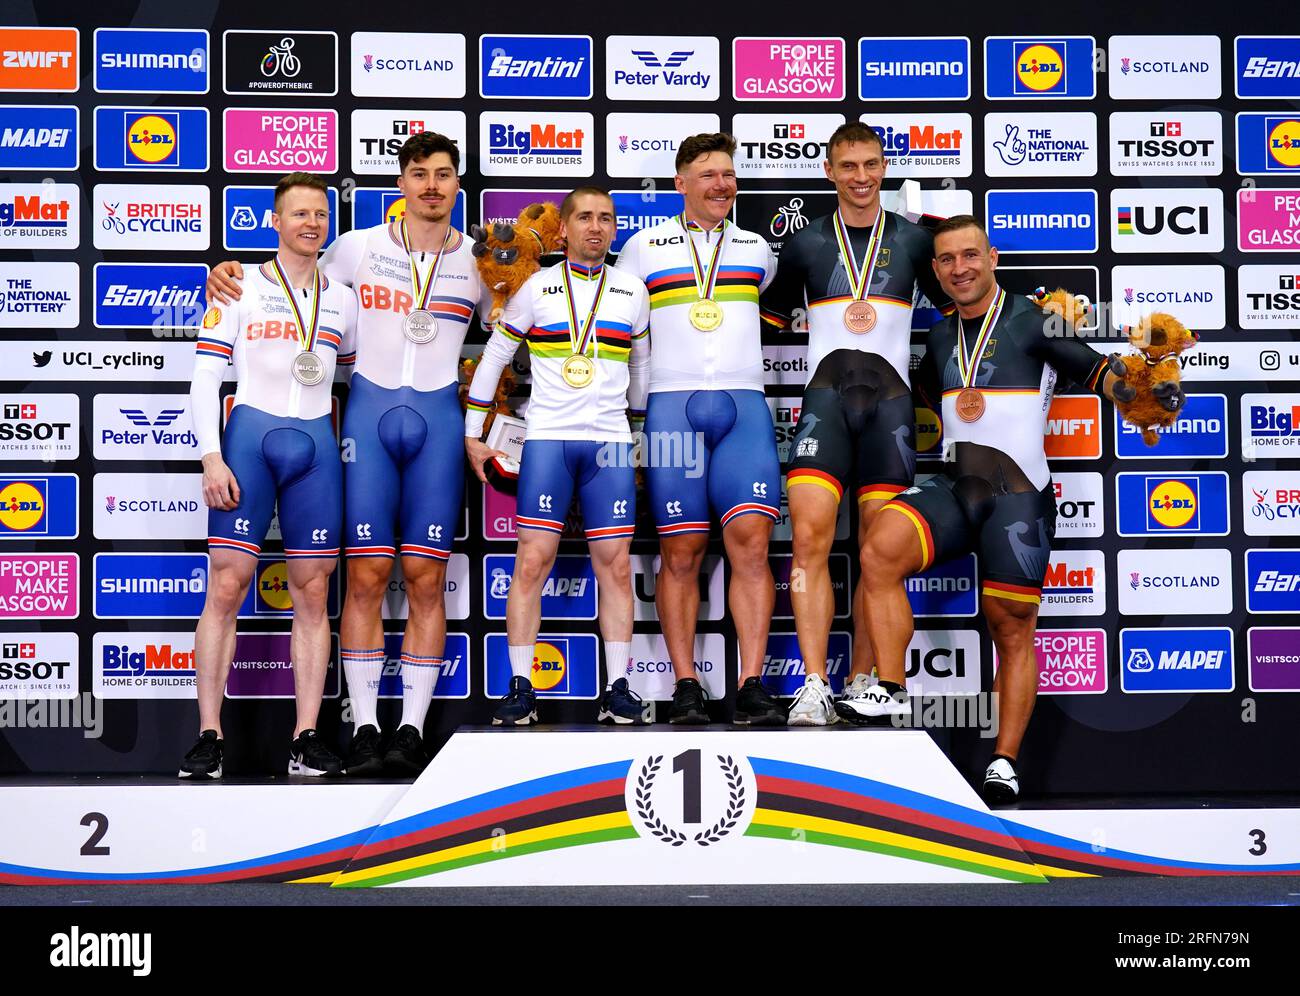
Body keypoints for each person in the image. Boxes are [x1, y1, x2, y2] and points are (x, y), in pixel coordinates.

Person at [206, 133, 493, 776]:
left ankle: (411, 729)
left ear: (456, 185)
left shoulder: (478, 260)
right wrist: (224, 273)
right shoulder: (355, 247)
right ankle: (364, 725)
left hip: (439, 423)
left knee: (424, 579)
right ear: (401, 183)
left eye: (444, 176)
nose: (431, 187)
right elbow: (286, 281)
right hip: (365, 415)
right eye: (419, 174)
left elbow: (516, 330)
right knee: (363, 576)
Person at [855, 215, 1132, 803]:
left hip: (1020, 498)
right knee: (879, 550)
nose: (961, 268)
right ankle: (888, 689)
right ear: (936, 269)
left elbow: (1102, 373)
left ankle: (1004, 760)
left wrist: (1144, 395)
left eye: (971, 255)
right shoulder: (936, 335)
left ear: (993, 257)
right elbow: (934, 396)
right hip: (958, 490)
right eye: (948, 260)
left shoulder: (1034, 320)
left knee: (1010, 628)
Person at [759, 121, 953, 726]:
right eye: (849, 167)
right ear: (829, 172)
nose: (862, 177)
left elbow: (961, 321)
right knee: (810, 541)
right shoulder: (807, 244)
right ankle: (815, 685)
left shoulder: (918, 244)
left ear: (885, 167)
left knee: (877, 555)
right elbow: (762, 326)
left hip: (892, 412)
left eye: (871, 165)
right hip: (824, 406)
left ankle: (866, 682)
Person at [180, 172, 356, 779]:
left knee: (313, 593)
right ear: (275, 222)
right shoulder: (238, 288)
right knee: (226, 587)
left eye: (320, 215)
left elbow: (357, 373)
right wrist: (210, 455)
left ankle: (306, 738)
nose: (311, 223)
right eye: (299, 214)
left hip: (316, 449)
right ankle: (208, 735)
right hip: (249, 442)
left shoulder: (344, 298)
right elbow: (206, 377)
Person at [615, 133, 784, 726]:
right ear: (681, 182)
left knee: (753, 549)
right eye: (708, 174)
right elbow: (624, 331)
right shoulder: (642, 248)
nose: (721, 184)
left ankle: (753, 683)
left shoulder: (756, 248)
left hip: (744, 408)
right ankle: (685, 683)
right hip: (671, 407)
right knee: (680, 551)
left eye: (729, 174)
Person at [465, 188, 650, 725]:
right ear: (563, 229)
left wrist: (635, 434)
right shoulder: (536, 288)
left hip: (610, 443)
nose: (596, 227)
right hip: (547, 439)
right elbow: (497, 353)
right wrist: (474, 432)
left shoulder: (631, 290)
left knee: (615, 567)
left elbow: (641, 369)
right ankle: (520, 687)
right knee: (532, 561)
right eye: (585, 218)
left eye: (606, 219)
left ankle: (617, 688)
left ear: (614, 229)